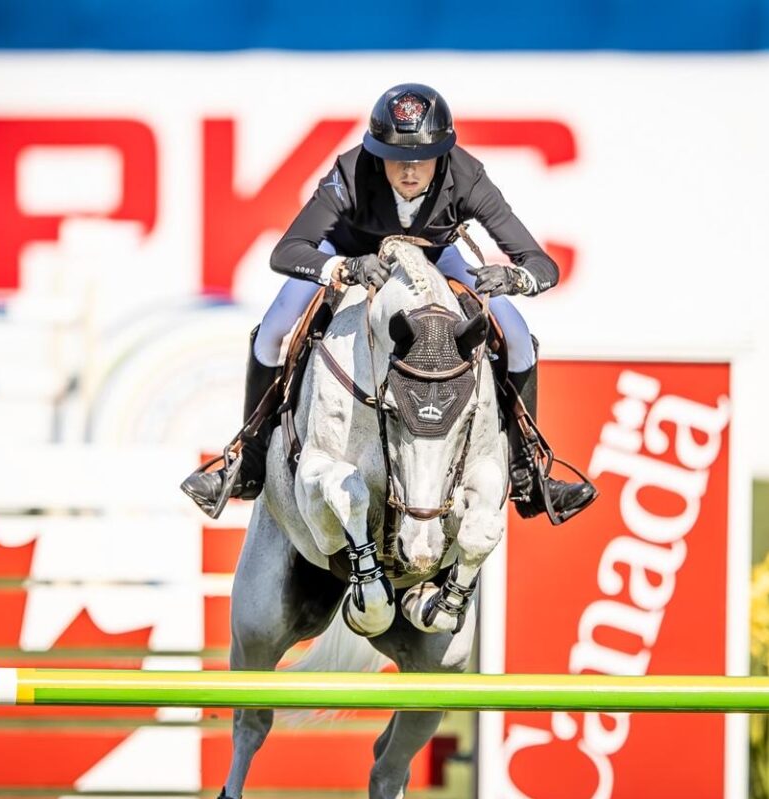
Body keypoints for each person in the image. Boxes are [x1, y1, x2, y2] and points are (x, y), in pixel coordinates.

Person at [180, 83, 596, 524]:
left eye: (422, 158)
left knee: (515, 335)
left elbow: (541, 263)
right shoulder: (349, 173)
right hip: (351, 252)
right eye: (397, 159)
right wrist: (345, 268)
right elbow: (286, 251)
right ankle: (248, 459)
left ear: (443, 152)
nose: (410, 171)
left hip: (435, 255)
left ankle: (528, 470)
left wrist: (514, 276)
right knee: (275, 326)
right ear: (378, 154)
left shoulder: (467, 175)